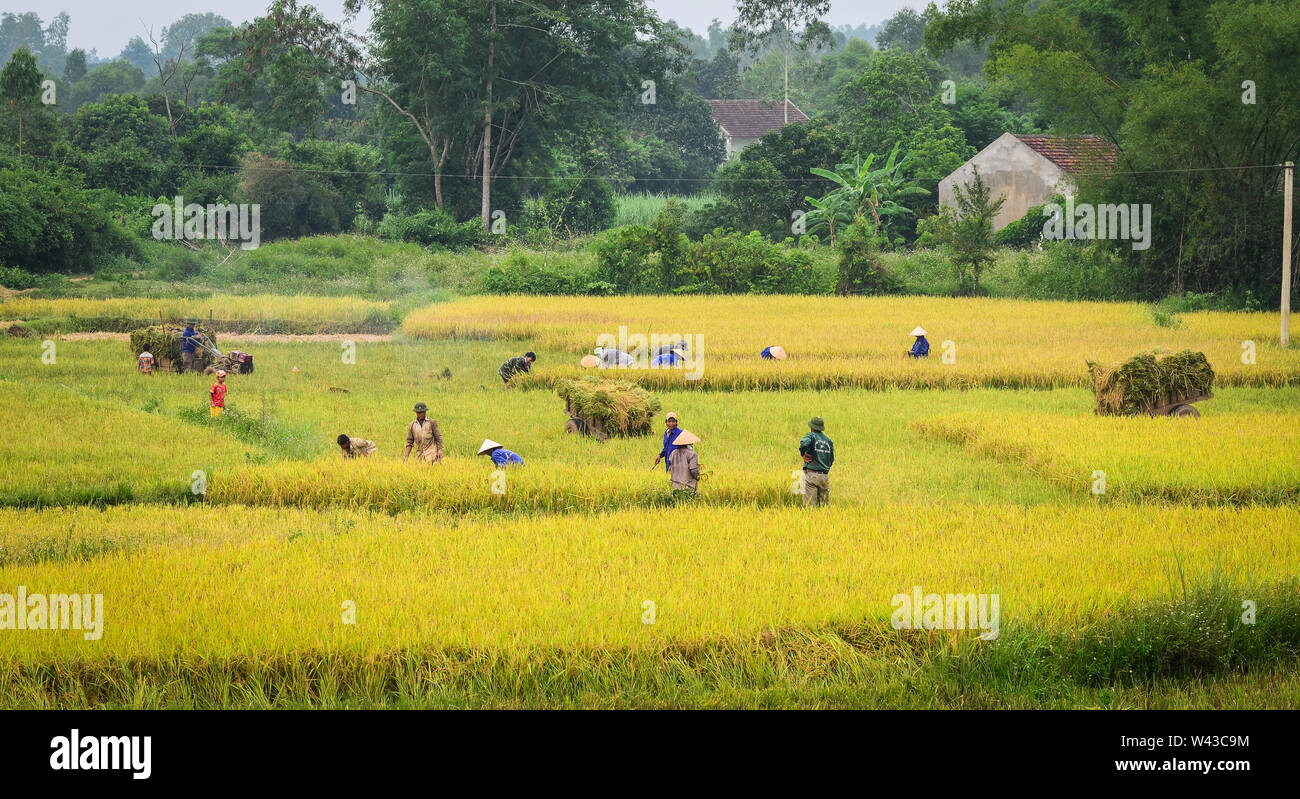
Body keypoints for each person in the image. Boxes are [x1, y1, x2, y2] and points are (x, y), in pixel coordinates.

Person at [799, 416, 834, 507]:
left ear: (812, 427)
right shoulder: (828, 441)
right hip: (824, 477)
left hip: (811, 475)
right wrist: (824, 468)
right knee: (823, 507)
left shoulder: (811, 436)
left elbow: (804, 444)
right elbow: (831, 459)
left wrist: (803, 454)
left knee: (809, 507)